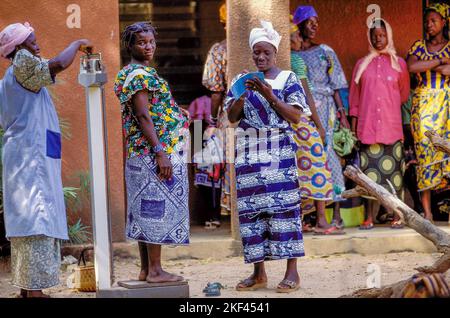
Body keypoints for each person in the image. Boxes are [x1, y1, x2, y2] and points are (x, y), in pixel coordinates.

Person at [0, 22, 92, 298]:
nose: (37, 45)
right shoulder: (22, 64)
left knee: (32, 221)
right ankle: (35, 292)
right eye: (32, 41)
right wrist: (77, 43)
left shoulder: (15, 72)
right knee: (35, 220)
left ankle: (30, 290)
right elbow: (56, 65)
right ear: (18, 48)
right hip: (31, 157)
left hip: (33, 154)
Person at [225, 21, 310, 293]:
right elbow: (231, 118)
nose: (260, 57)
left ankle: (292, 273)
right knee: (252, 213)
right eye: (256, 53)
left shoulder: (288, 79)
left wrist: (269, 95)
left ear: (275, 53)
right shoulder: (241, 80)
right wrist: (240, 98)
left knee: (285, 209)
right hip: (249, 156)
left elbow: (296, 116)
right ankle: (258, 273)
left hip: (279, 155)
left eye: (266, 53)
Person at [114, 22, 190, 283]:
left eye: (151, 42)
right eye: (141, 42)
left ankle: (146, 270)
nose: (148, 47)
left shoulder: (132, 73)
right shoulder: (139, 75)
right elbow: (142, 114)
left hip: (141, 155)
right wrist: (160, 152)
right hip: (151, 155)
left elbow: (151, 108)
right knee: (155, 209)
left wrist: (173, 111)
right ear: (130, 46)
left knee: (146, 210)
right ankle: (156, 271)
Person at [349, 18, 410, 230]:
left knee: (394, 176)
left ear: (389, 36)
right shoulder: (361, 64)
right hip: (367, 129)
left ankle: (397, 214)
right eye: (375, 36)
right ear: (370, 37)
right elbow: (354, 100)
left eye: (382, 35)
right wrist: (353, 128)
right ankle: (369, 217)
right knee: (368, 177)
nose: (379, 39)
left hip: (391, 128)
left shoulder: (399, 64)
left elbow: (403, 95)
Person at [294, 5, 350, 231]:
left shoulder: (325, 51)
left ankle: (336, 214)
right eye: (310, 22)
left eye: (317, 22)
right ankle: (312, 217)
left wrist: (342, 114)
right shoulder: (293, 55)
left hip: (326, 111)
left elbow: (337, 85)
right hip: (303, 113)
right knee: (308, 160)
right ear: (299, 26)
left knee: (331, 159)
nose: (315, 26)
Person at [290, 17, 338, 234]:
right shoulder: (297, 61)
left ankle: (299, 220)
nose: (300, 39)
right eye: (297, 35)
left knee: (295, 172)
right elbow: (306, 94)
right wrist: (318, 125)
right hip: (301, 121)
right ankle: (321, 220)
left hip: (286, 123)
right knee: (318, 166)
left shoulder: (281, 60)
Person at [407, 3, 450, 222]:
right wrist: (441, 61)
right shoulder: (418, 45)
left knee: (447, 154)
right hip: (423, 108)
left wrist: (428, 65)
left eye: (434, 20)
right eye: (427, 21)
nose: (429, 24)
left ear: (443, 22)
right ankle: (428, 213)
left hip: (446, 107)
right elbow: (412, 67)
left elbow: (447, 71)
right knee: (424, 154)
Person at [202, 1, 231, 222]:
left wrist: (212, 120)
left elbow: (216, 92)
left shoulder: (218, 51)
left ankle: (229, 212)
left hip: (229, 116)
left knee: (227, 162)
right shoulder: (258, 46)